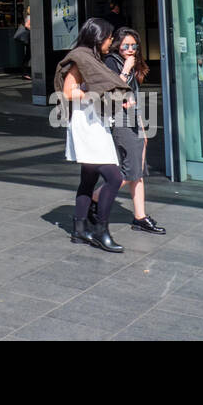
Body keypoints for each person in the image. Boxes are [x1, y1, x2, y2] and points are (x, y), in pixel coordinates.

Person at [55, 16, 128, 254]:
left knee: (88, 179)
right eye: (109, 37)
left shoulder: (90, 57)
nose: (111, 42)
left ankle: (79, 229)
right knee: (114, 178)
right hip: (88, 124)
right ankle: (100, 231)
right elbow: (68, 91)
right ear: (98, 38)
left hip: (93, 121)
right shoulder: (81, 58)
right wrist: (95, 93)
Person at [91, 27, 165, 235]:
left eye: (134, 46)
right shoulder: (112, 62)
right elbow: (111, 90)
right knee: (130, 170)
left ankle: (140, 216)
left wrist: (142, 125)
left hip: (133, 117)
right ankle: (94, 197)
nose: (130, 49)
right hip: (119, 119)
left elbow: (134, 95)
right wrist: (126, 69)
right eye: (126, 45)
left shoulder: (132, 64)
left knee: (138, 171)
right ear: (117, 45)